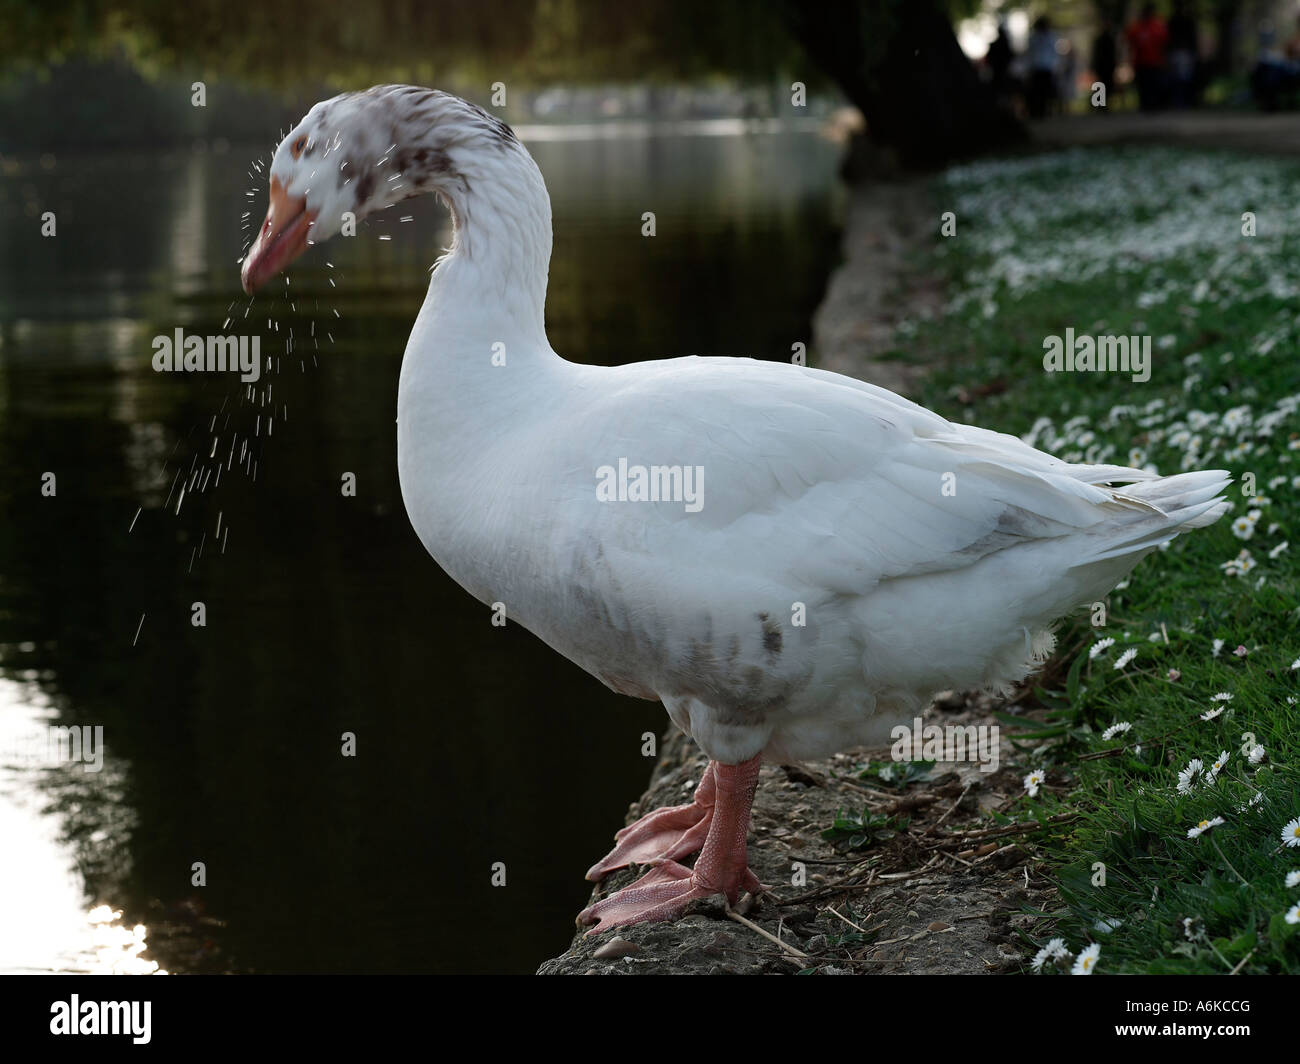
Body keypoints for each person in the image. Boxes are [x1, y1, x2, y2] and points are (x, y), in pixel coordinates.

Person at [1127, 3, 1169, 111]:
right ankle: (1144, 105)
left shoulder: (1158, 26)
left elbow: (1165, 44)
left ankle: (1154, 105)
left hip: (1155, 62)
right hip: (1140, 62)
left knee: (1154, 84)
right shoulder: (1137, 27)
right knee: (1142, 85)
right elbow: (1131, 43)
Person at [1167, 0, 1200, 107]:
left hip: (1185, 52)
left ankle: (1185, 100)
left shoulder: (1188, 21)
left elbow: (1193, 39)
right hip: (1176, 52)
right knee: (1176, 77)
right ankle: (1177, 100)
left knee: (1185, 77)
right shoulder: (1172, 21)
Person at [1026, 15, 1059, 118]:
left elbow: (1054, 53)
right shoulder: (1036, 37)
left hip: (1044, 68)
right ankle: (1038, 111)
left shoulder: (1049, 37)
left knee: (1043, 91)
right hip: (1040, 68)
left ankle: (1042, 111)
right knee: (1039, 91)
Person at [1091, 18, 1118, 110]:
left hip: (1108, 66)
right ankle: (1100, 104)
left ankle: (1104, 104)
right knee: (1102, 85)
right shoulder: (1101, 40)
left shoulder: (1110, 39)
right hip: (1102, 66)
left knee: (1107, 85)